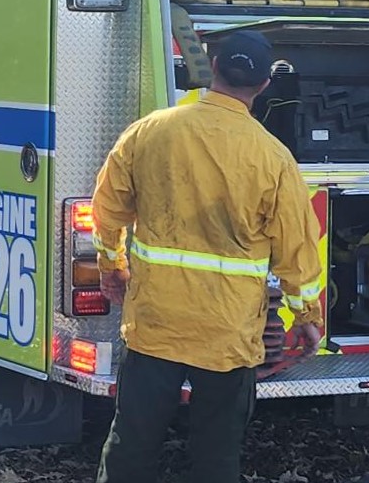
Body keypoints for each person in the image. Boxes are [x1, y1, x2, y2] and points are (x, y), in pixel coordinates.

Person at [91, 28, 325, 483]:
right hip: (227, 335)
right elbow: (296, 249)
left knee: (132, 444)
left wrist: (111, 267)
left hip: (155, 323)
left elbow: (107, 210)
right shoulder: (273, 157)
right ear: (263, 86)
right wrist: (308, 317)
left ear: (212, 68)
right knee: (217, 454)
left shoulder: (149, 132)